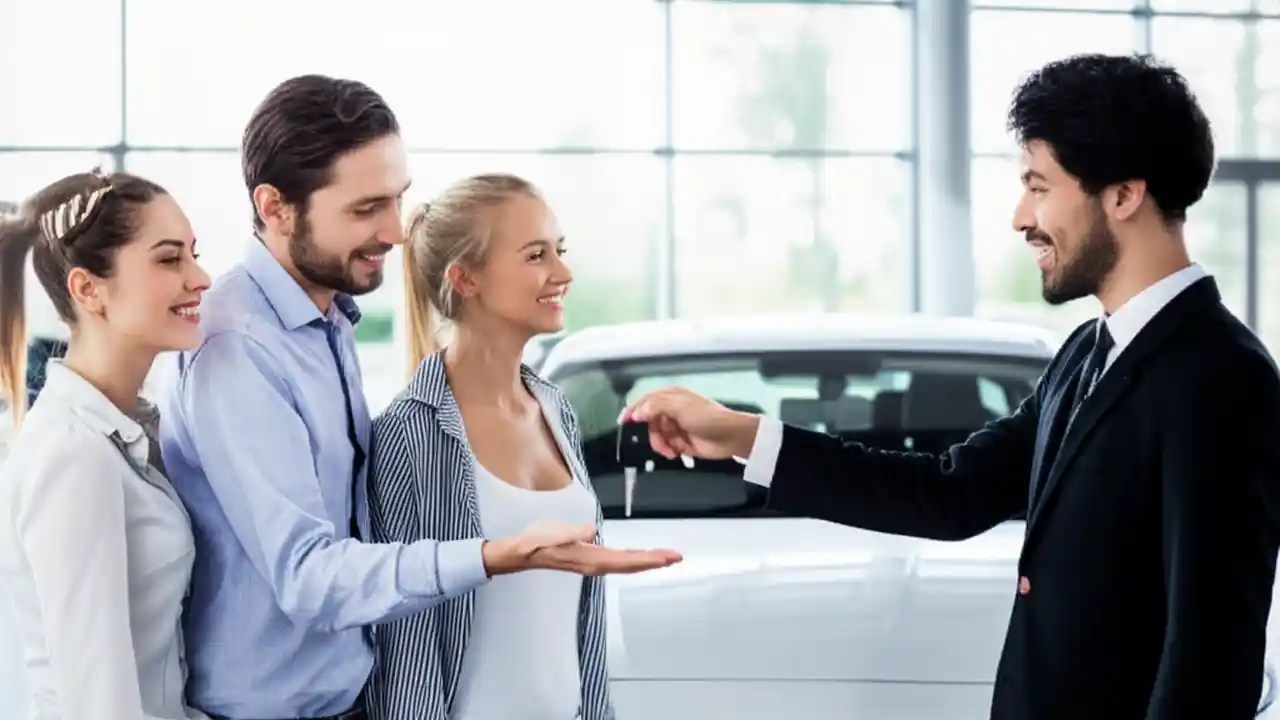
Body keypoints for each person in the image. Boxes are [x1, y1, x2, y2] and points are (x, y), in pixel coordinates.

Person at [621, 53, 1280, 719]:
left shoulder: (1221, 376)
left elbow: (1211, 651)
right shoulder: (1088, 351)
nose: (1021, 216)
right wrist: (743, 435)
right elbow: (951, 492)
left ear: (1123, 194)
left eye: (1040, 186)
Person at [158, 75, 679, 720]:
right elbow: (310, 579)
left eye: (397, 200)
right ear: (276, 208)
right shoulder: (239, 350)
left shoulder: (326, 323)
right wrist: (496, 555)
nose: (396, 232)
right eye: (365, 208)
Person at [365, 175, 672, 720]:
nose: (563, 272)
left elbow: (580, 621)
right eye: (536, 255)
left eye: (560, 250)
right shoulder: (411, 432)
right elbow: (406, 637)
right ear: (466, 279)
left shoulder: (556, 409)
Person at [0, 170, 212, 719]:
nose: (201, 277)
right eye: (170, 260)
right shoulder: (73, 454)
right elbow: (100, 706)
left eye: (193, 254)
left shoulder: (137, 428)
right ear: (88, 288)